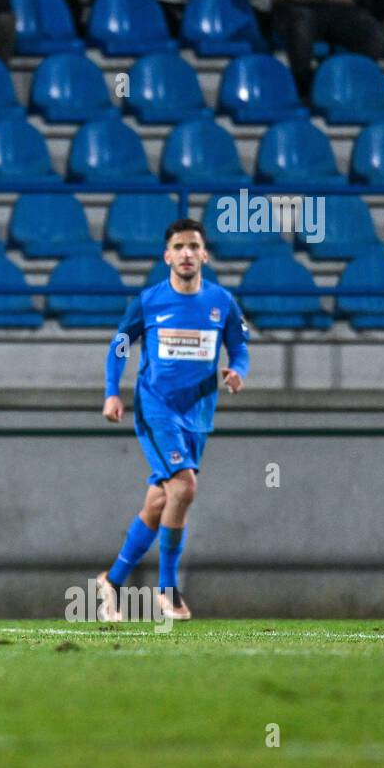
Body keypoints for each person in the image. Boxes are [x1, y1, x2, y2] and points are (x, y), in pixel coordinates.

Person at [94, 219, 249, 622]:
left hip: (197, 414)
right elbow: (120, 345)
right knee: (185, 487)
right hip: (155, 408)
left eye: (193, 246)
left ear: (204, 255)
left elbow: (239, 348)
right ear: (167, 256)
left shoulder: (222, 303)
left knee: (162, 498)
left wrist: (238, 371)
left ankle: (110, 582)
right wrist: (113, 390)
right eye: (178, 246)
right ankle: (167, 590)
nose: (185, 253)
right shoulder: (149, 302)